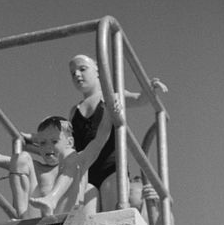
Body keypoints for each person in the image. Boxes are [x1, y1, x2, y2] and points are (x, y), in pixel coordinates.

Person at [0, 100, 119, 220]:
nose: (47, 147)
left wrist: (109, 114)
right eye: (42, 143)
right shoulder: (37, 169)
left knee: (72, 158)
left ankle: (51, 199)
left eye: (54, 141)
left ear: (69, 142)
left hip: (68, 218)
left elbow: (100, 139)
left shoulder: (79, 161)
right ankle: (22, 218)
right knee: (21, 158)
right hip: (33, 219)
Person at [66, 53, 168, 213]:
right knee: (86, 223)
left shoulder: (113, 96)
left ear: (97, 71)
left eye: (82, 69)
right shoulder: (74, 111)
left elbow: (139, 99)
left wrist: (149, 88)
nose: (77, 75)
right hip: (85, 172)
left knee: (111, 216)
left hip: (111, 169)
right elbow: (64, 141)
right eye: (73, 73)